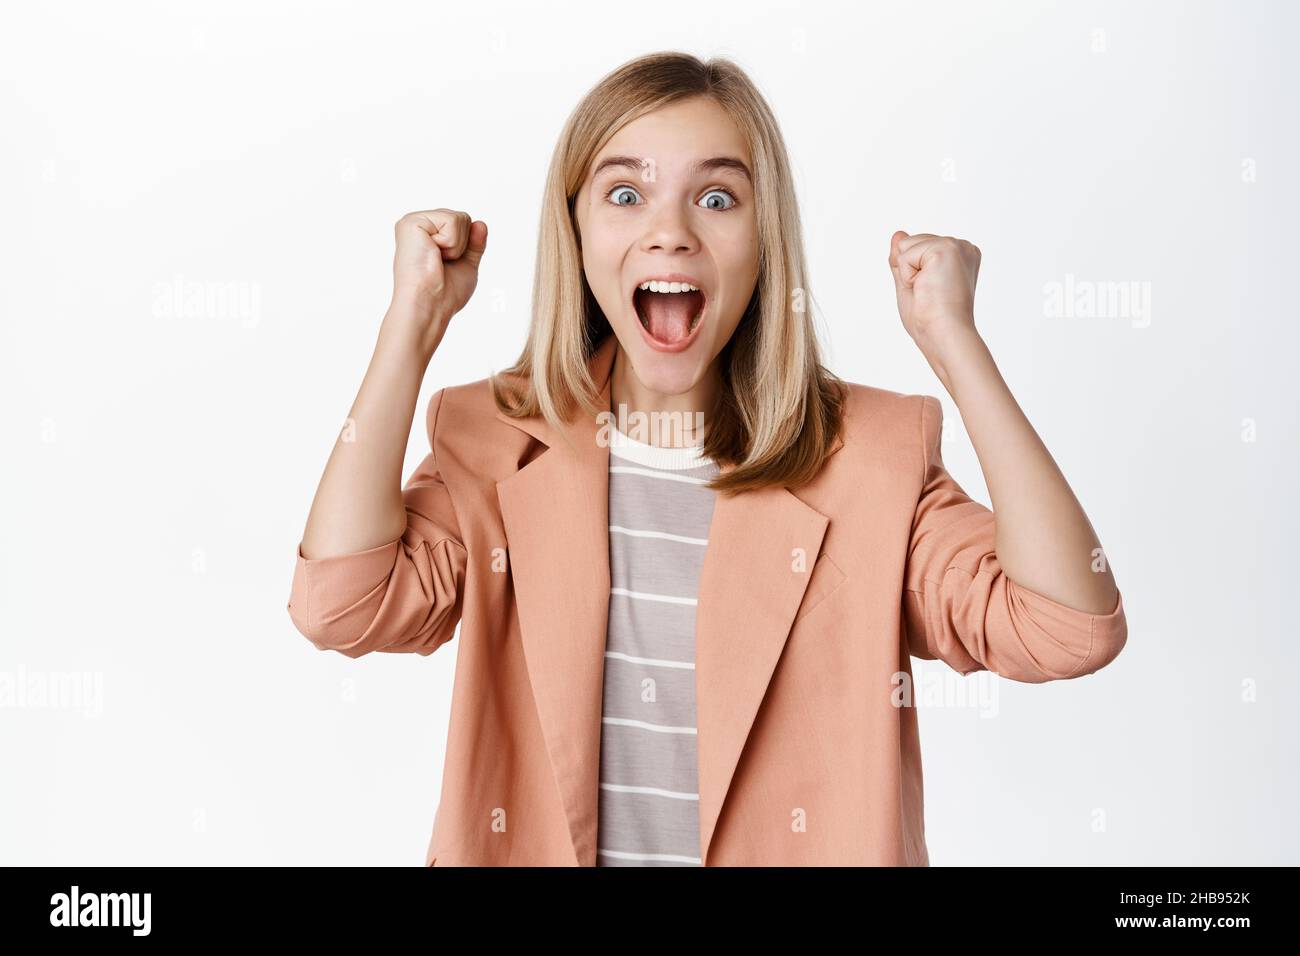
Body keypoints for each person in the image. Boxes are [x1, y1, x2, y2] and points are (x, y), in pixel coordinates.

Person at [287, 51, 1128, 867]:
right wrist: (412, 326)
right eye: (625, 193)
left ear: (766, 240)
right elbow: (343, 605)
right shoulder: (494, 440)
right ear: (575, 232)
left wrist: (954, 344)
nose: (670, 234)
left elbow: (1064, 629)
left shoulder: (873, 459)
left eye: (717, 197)